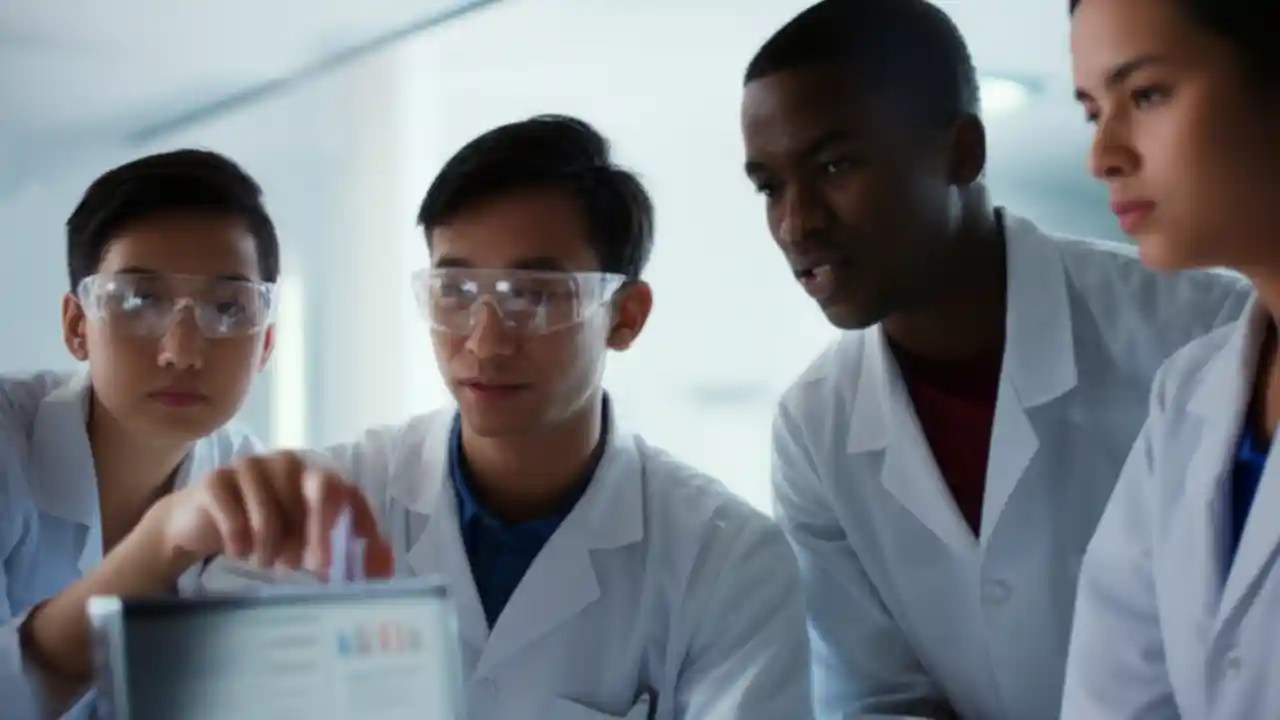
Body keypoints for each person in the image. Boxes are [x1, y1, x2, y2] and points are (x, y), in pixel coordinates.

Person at [740, 1, 1255, 718]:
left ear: (961, 153)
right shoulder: (813, 425)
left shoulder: (1202, 329)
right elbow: (876, 699)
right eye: (770, 186)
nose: (797, 223)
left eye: (835, 165)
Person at [203, 115, 812, 719]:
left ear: (625, 316)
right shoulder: (318, 509)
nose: (485, 341)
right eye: (456, 293)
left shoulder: (724, 560)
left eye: (534, 295)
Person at [0, 150, 388, 718]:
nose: (181, 351)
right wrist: (162, 542)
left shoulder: (254, 490)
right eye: (138, 300)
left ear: (266, 344)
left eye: (228, 308)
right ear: (77, 326)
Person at [1062, 2, 1280, 717]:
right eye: (1093, 113)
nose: (1102, 156)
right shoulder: (1188, 393)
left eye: (1147, 94)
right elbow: (1115, 695)